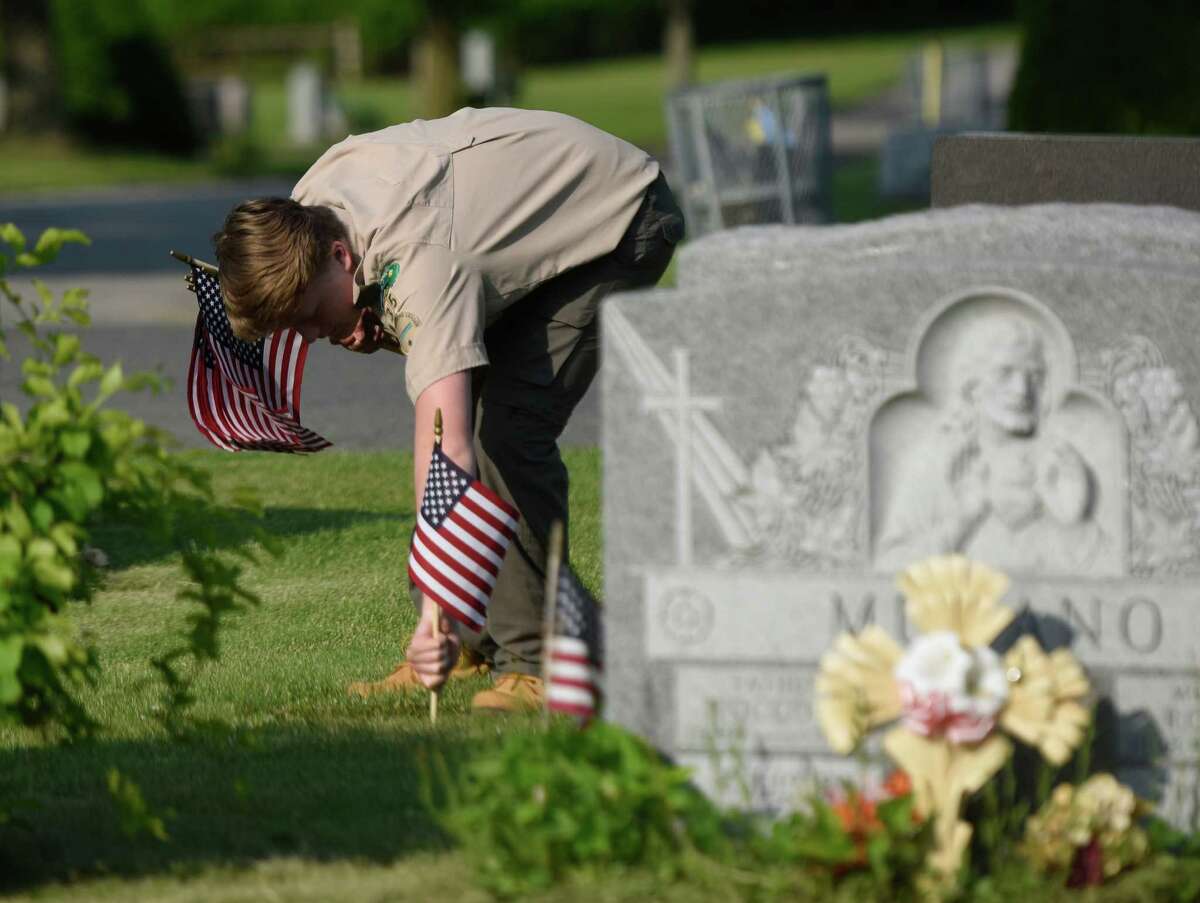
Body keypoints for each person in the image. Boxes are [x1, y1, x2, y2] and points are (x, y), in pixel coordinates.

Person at [212, 107, 684, 712]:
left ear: (339, 256)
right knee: (479, 419)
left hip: (618, 220)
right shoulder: (305, 210)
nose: (304, 336)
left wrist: (431, 613)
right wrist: (367, 314)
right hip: (507, 225)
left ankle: (545, 658)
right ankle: (469, 642)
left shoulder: (421, 263)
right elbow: (403, 307)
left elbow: (446, 448)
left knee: (502, 436)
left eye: (307, 316)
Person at [874, 313, 1111, 575]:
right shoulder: (940, 461)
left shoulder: (1058, 464)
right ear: (972, 385)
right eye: (1004, 373)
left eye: (1034, 376)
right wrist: (963, 520)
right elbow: (890, 568)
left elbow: (1107, 576)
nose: (1022, 390)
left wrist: (1072, 523)